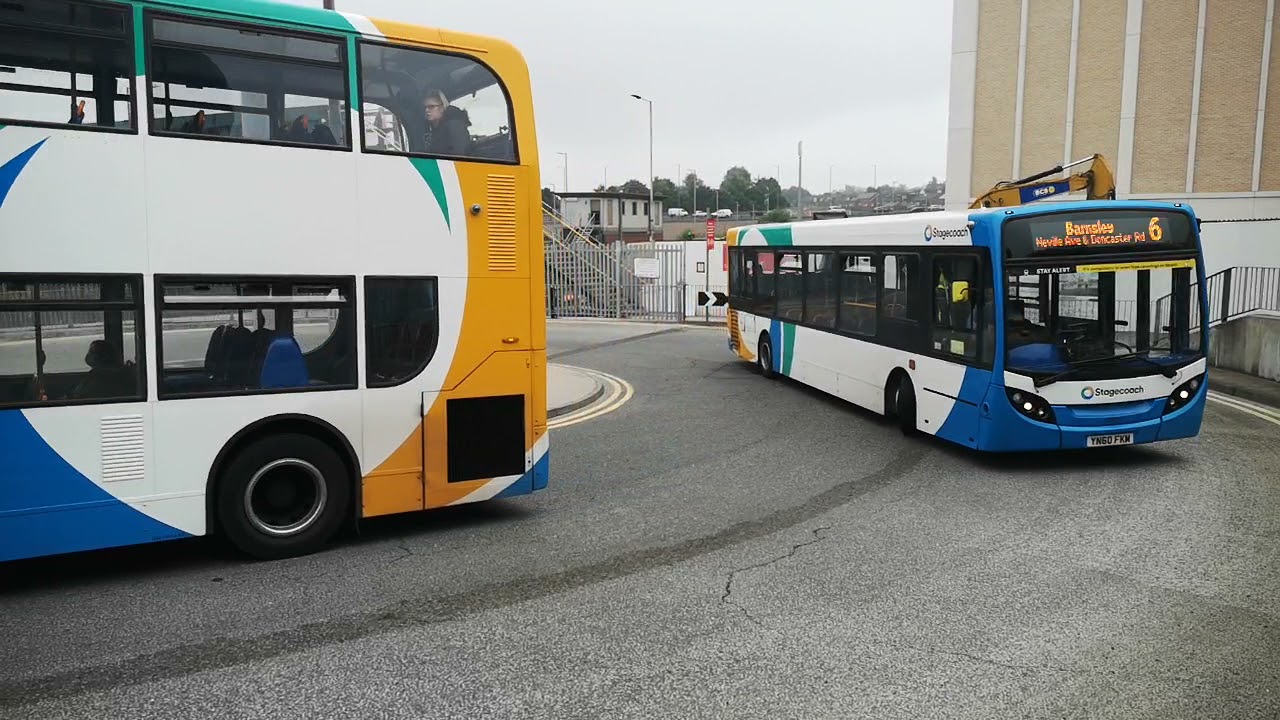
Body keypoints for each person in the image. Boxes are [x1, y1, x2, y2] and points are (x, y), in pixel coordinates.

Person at [422, 90, 472, 157]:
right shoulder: (434, 130)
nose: (427, 110)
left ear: (442, 108)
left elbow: (459, 155)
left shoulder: (454, 126)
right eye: (425, 107)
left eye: (431, 106)